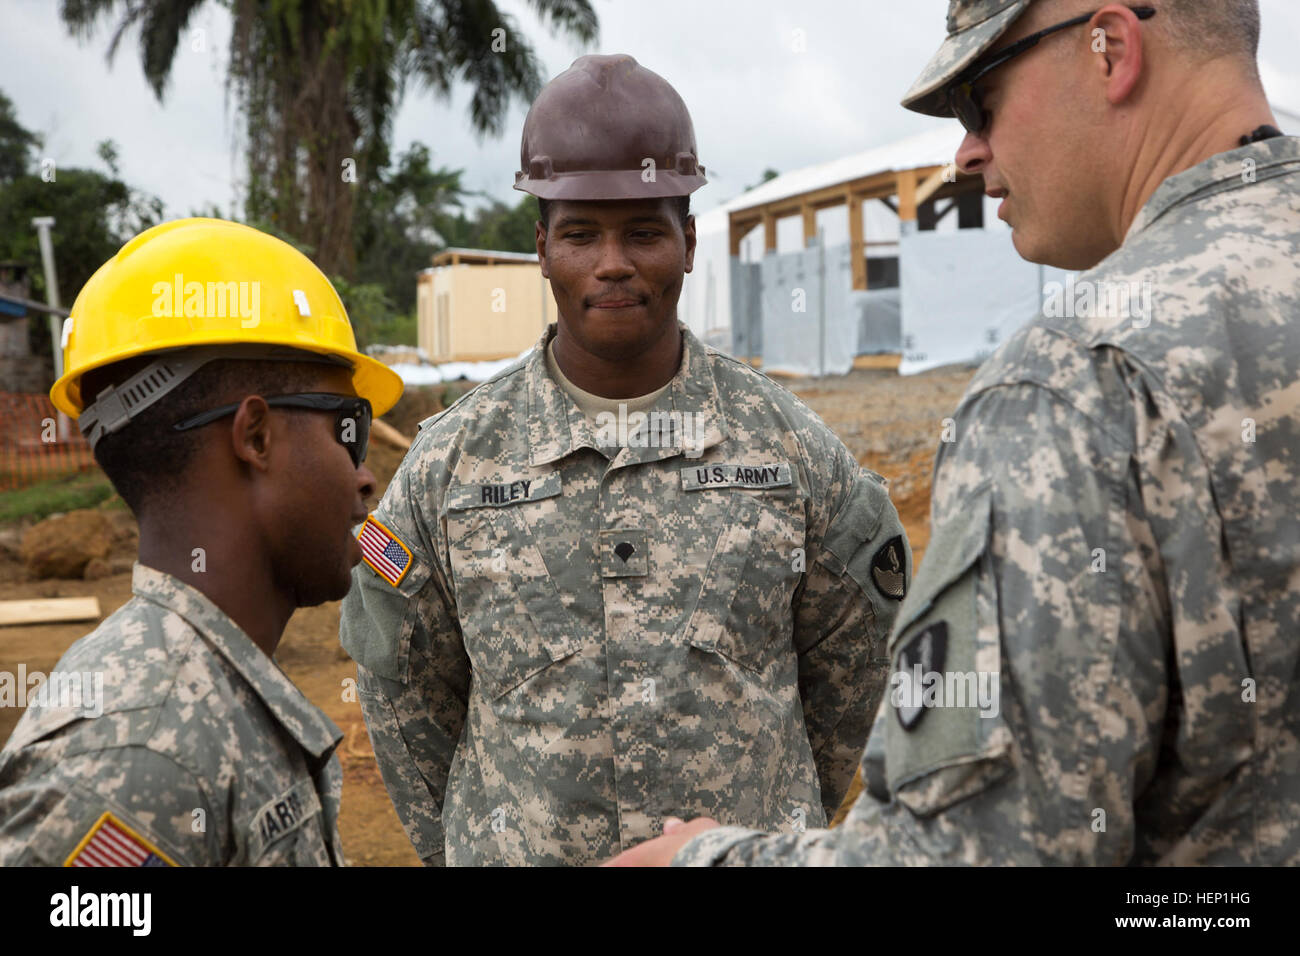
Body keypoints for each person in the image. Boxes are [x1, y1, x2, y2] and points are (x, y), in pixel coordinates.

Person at [610, 0, 1300, 866]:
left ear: (1110, 48)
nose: (967, 154)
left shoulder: (1072, 383)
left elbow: (980, 853)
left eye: (982, 100)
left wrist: (697, 859)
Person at [340, 53, 909, 866]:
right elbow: (402, 694)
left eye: (644, 231)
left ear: (688, 242)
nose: (612, 262)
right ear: (541, 248)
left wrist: (778, 823)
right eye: (580, 234)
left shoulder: (793, 452)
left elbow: (855, 670)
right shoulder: (445, 468)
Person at [0, 218, 402, 866]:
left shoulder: (202, 695)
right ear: (256, 437)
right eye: (346, 428)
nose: (364, 473)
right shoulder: (134, 762)